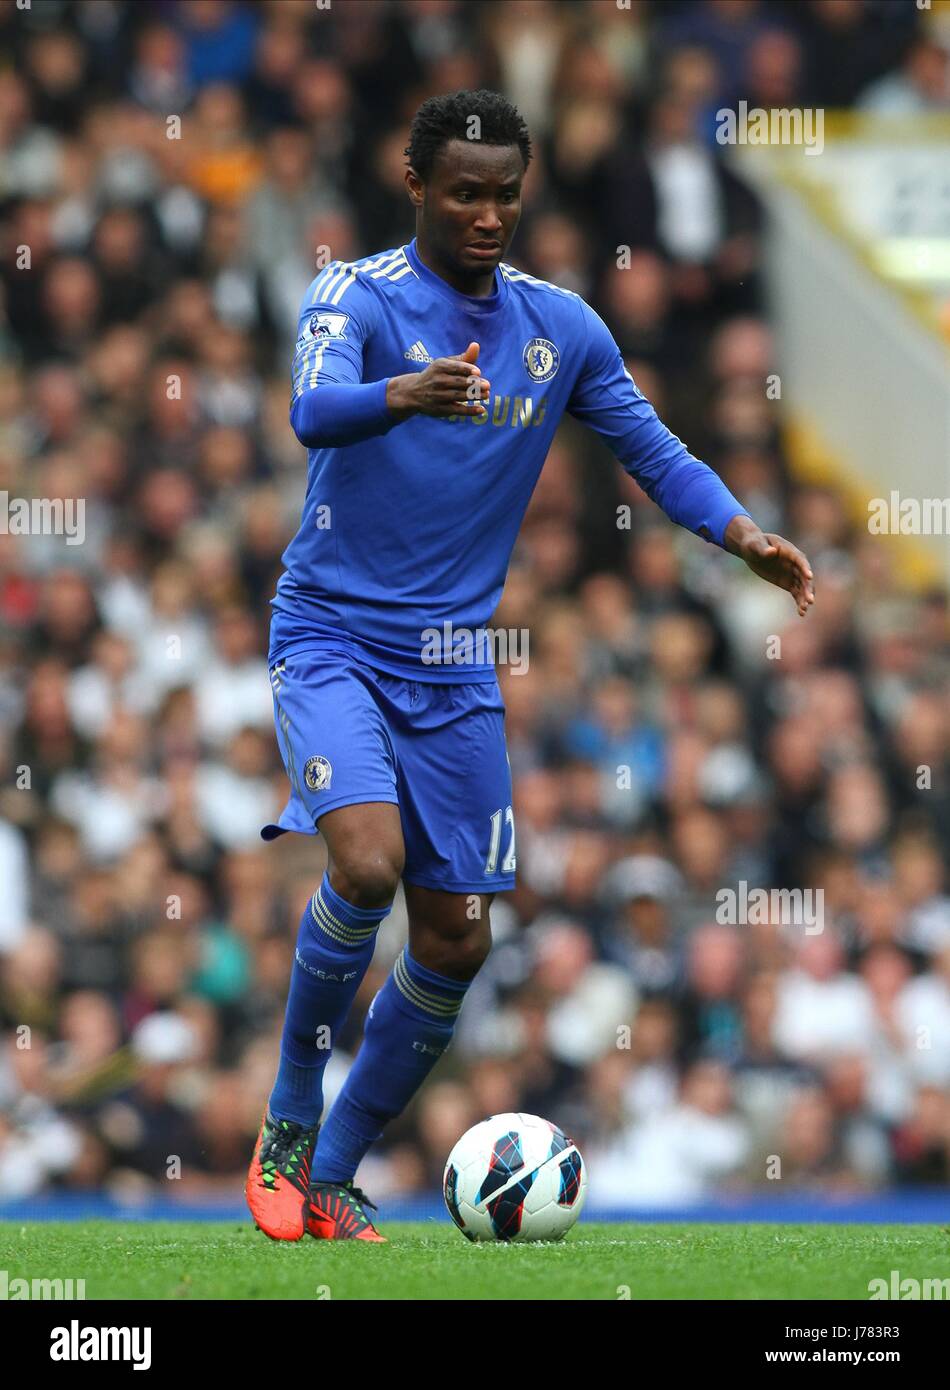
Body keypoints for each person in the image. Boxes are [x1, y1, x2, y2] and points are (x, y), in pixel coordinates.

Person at [245, 89, 815, 1243]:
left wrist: (739, 533)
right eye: (464, 191)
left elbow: (651, 448)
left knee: (457, 936)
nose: (488, 214)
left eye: (505, 193)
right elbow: (310, 411)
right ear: (415, 185)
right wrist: (401, 392)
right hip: (332, 636)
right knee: (364, 865)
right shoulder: (350, 295)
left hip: (452, 667)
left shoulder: (561, 327)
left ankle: (334, 1176)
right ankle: (290, 1116)